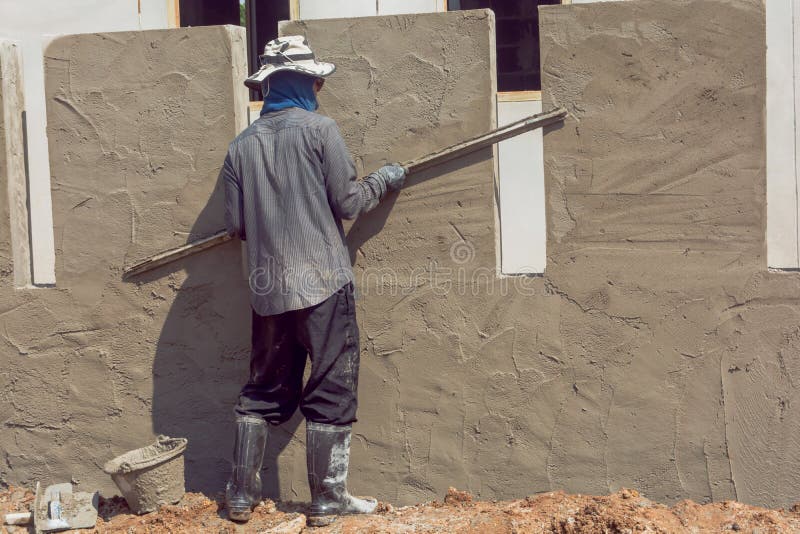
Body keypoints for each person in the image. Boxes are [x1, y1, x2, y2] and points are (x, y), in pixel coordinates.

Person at [220, 35, 405, 526]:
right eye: (317, 81)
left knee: (261, 391)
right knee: (330, 387)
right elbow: (348, 203)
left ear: (268, 88)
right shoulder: (322, 131)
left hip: (267, 290)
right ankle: (327, 500)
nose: (321, 88)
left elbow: (237, 224)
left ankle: (240, 496)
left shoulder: (240, 148)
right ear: (304, 83)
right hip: (323, 283)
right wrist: (384, 180)